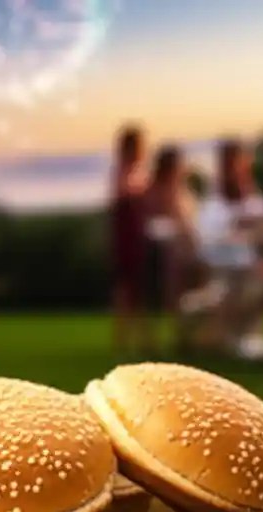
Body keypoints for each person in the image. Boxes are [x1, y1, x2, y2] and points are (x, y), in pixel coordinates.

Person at [198, 139, 263, 359]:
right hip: (227, 265)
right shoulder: (216, 198)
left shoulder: (249, 193)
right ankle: (236, 337)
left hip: (247, 262)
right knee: (252, 281)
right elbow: (211, 235)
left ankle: (251, 336)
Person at [144, 145, 200, 351]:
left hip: (185, 247)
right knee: (172, 294)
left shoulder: (182, 190)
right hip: (169, 251)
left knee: (189, 294)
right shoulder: (158, 192)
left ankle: (191, 335)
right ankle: (176, 336)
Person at [109, 124, 152, 356]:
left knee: (134, 287)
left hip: (134, 233)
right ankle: (127, 338)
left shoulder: (133, 171)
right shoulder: (123, 171)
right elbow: (125, 197)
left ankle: (137, 337)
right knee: (128, 287)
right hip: (128, 235)